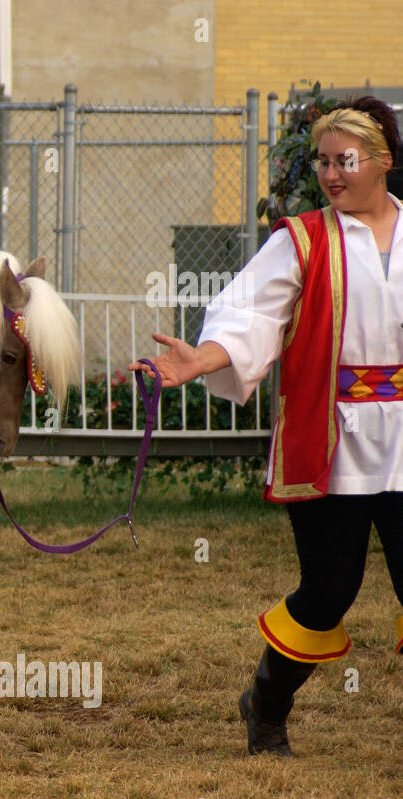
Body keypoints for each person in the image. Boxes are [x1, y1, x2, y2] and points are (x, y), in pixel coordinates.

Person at [131, 96, 403, 756]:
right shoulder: (302, 240)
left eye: (347, 160)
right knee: (329, 590)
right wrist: (203, 358)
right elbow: (249, 317)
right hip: (331, 439)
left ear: (384, 161)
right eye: (323, 161)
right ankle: (267, 702)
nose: (332, 174)